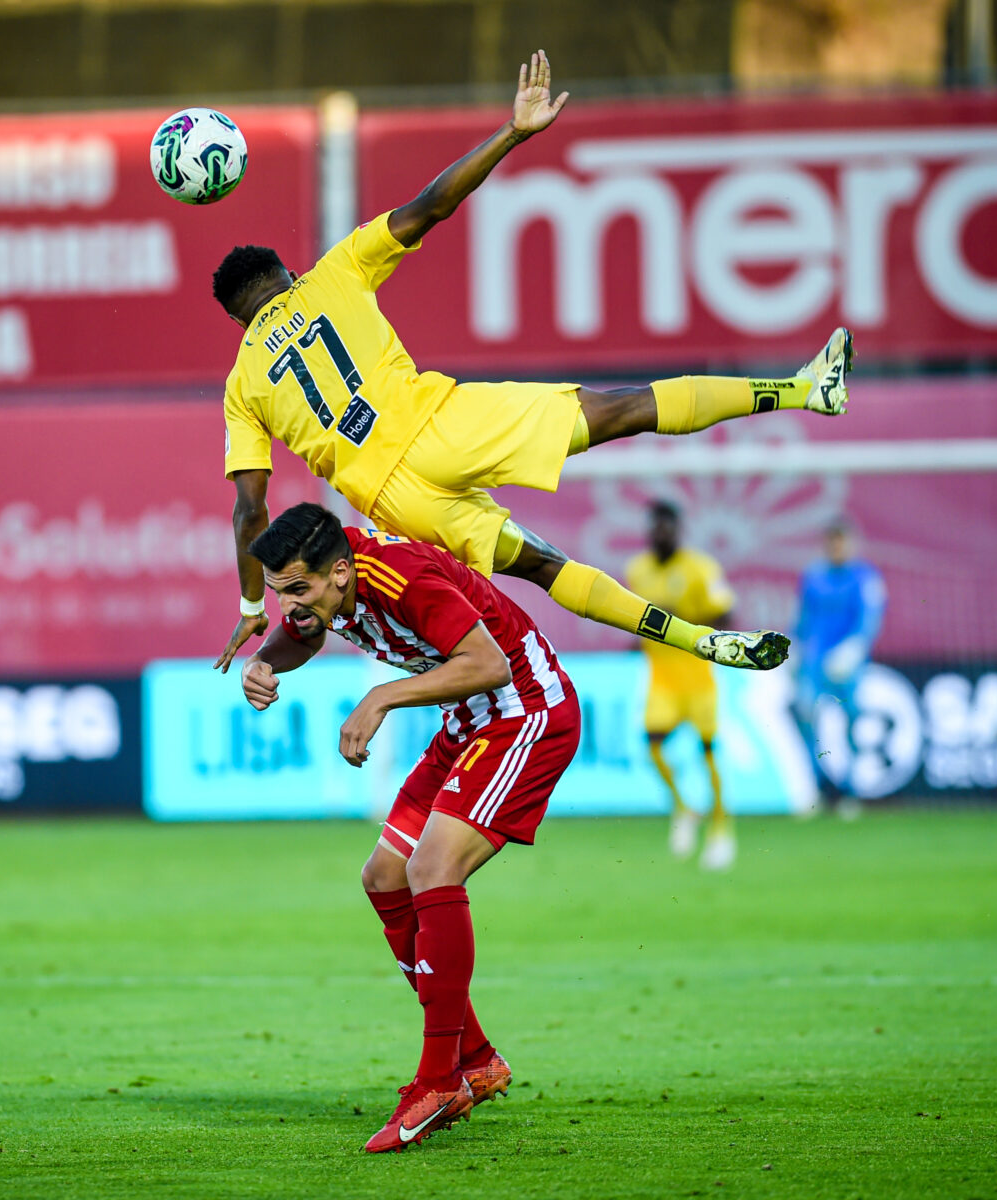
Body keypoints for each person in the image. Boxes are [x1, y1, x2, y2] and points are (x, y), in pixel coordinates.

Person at [213, 49, 851, 680]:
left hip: (395, 500)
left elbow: (251, 510)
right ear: (287, 274)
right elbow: (432, 204)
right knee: (623, 409)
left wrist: (251, 605)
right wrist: (512, 133)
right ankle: (805, 390)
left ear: (240, 322)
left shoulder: (242, 384)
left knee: (545, 567)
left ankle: (700, 641)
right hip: (440, 425)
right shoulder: (333, 272)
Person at [239, 502, 579, 1153]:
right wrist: (267, 661)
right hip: (469, 722)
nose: (290, 604)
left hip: (524, 713)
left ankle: (439, 1080)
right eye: (281, 591)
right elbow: (303, 631)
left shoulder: (404, 578)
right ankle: (475, 1058)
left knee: (431, 868)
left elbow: (490, 665)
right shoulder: (332, 581)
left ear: (340, 573)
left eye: (298, 589)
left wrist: (381, 696)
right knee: (385, 876)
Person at [623, 502, 737, 868]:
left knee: (709, 754)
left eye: (666, 527)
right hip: (662, 681)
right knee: (653, 748)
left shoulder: (701, 569)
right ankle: (685, 809)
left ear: (678, 530)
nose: (660, 533)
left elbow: (727, 615)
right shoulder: (637, 570)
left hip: (698, 679)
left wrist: (682, 622)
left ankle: (721, 830)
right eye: (655, 526)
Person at [793, 520, 886, 816]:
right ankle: (819, 787)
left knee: (852, 721)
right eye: (832, 542)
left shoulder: (866, 578)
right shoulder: (813, 576)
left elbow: (869, 620)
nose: (836, 548)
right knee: (806, 718)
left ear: (851, 544)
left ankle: (850, 789)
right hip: (813, 664)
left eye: (841, 542)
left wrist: (854, 649)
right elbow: (803, 618)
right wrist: (794, 647)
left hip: (847, 665)